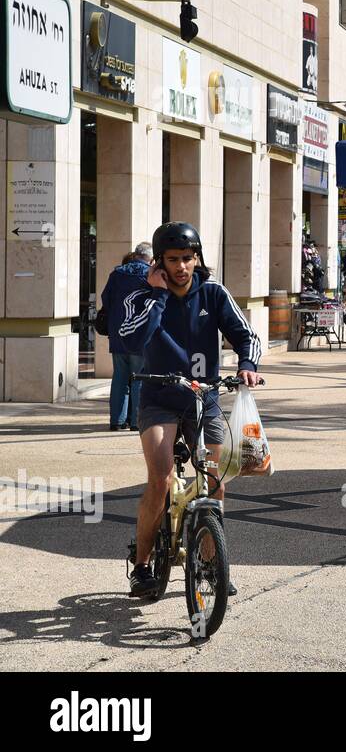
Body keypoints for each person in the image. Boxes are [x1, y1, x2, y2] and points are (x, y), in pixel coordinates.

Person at [118, 222, 261, 599]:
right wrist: (158, 295)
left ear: (197, 258)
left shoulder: (213, 292)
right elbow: (131, 339)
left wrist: (247, 364)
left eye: (187, 258)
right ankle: (141, 565)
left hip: (204, 399)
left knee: (215, 482)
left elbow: (246, 335)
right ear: (159, 262)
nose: (181, 266)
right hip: (159, 399)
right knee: (161, 477)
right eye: (172, 260)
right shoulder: (142, 295)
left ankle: (213, 564)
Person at [100, 243, 153, 431]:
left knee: (119, 377)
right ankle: (136, 421)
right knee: (139, 378)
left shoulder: (117, 274)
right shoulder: (151, 274)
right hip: (140, 333)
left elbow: (105, 299)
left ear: (136, 255)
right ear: (150, 258)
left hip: (118, 333)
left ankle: (117, 420)